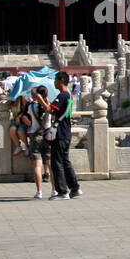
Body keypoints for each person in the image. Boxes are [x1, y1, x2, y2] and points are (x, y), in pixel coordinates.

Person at [47, 71, 81, 199]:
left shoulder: (62, 95)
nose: (54, 82)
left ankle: (62, 191)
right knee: (65, 161)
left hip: (60, 132)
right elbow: (56, 112)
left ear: (61, 80)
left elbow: (49, 110)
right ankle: (75, 187)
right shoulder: (69, 96)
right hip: (65, 131)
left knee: (57, 162)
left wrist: (40, 99)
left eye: (56, 80)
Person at [26, 88, 51, 197]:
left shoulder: (31, 107)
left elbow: (29, 119)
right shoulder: (49, 107)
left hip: (35, 135)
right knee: (50, 164)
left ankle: (39, 191)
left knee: (37, 165)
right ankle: (54, 190)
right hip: (48, 136)